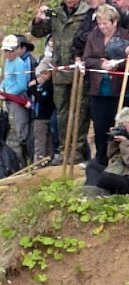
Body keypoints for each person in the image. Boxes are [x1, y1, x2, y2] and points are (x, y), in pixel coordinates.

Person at [34, 0, 94, 164]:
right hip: (59, 71)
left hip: (79, 70)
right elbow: (38, 32)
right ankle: (63, 150)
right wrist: (39, 19)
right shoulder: (55, 13)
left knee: (80, 112)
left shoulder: (86, 12)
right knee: (62, 112)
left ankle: (77, 150)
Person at [82, 4, 129, 165]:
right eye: (100, 24)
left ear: (115, 22)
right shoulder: (93, 36)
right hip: (99, 89)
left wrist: (118, 64)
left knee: (118, 126)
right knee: (100, 127)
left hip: (120, 89)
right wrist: (101, 65)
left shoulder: (125, 35)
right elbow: (87, 59)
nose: (102, 27)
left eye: (105, 24)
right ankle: (100, 161)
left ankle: (119, 161)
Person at [0, 35, 34, 163]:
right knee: (10, 129)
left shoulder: (19, 64)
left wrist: (8, 94)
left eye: (10, 51)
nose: (8, 54)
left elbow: (21, 85)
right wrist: (1, 89)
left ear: (17, 50)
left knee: (20, 129)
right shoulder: (7, 62)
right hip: (8, 99)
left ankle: (25, 158)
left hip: (18, 100)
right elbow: (7, 79)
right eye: (6, 51)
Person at [85, 106, 129, 193]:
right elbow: (110, 156)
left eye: (125, 125)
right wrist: (113, 141)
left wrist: (125, 143)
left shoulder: (125, 142)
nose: (123, 127)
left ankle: (98, 191)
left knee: (106, 177)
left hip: (126, 178)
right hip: (118, 172)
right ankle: (93, 190)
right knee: (92, 166)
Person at [32, 57, 58, 162]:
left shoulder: (49, 86)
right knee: (40, 142)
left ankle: (42, 161)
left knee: (45, 142)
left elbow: (41, 98)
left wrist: (33, 88)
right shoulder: (41, 85)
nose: (42, 76)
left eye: (45, 73)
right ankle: (40, 161)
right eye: (40, 73)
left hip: (44, 116)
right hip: (39, 117)